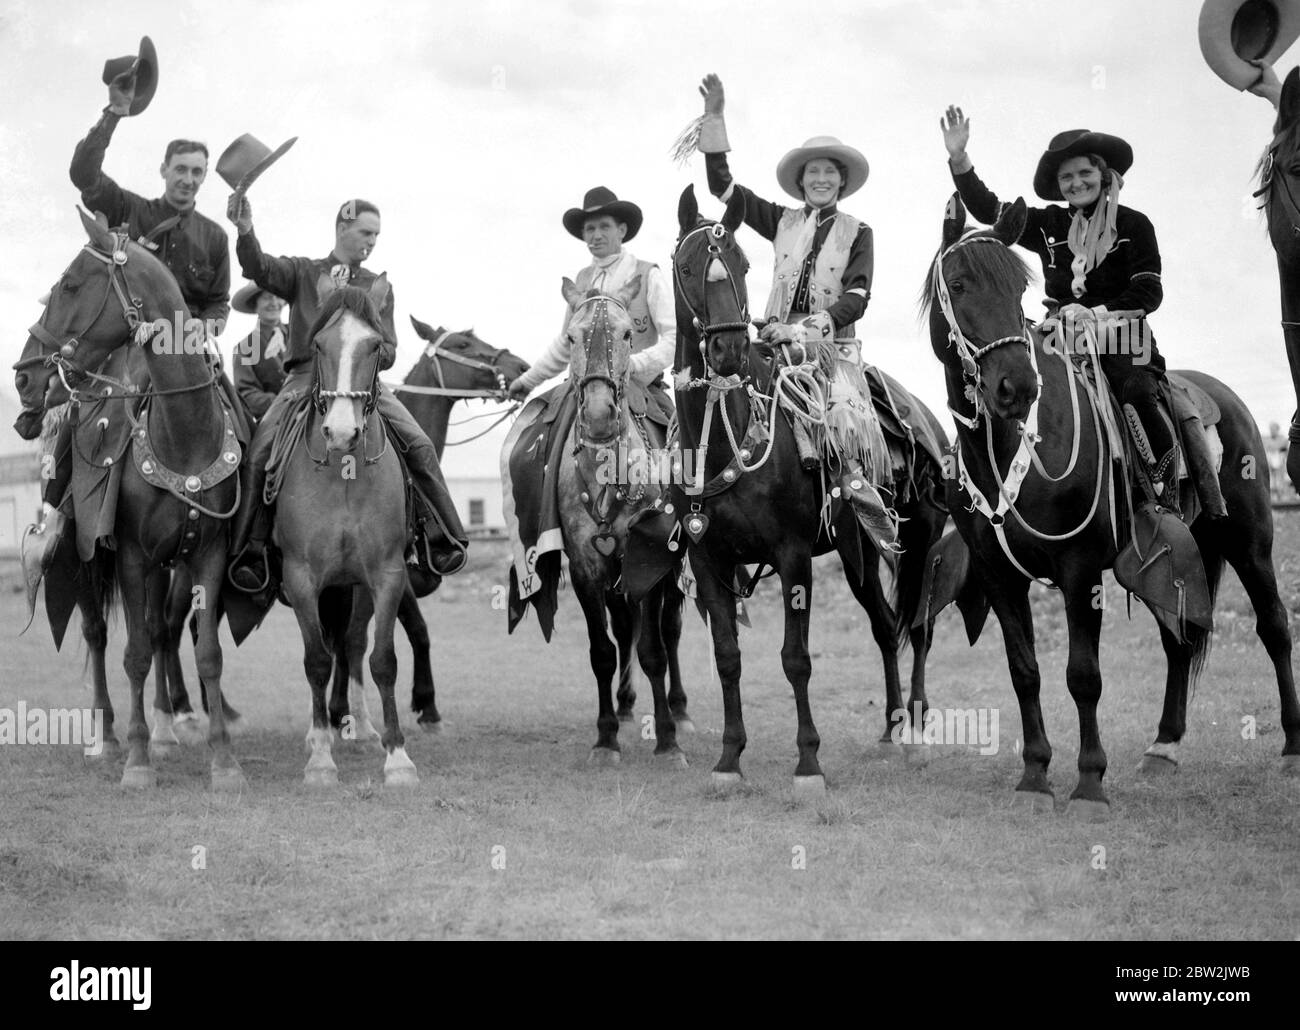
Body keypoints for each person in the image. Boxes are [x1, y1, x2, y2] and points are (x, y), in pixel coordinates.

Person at [938, 106, 1208, 512]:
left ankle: (1161, 487)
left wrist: (1094, 313)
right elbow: (992, 210)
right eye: (1067, 177)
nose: (1076, 182)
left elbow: (1148, 293)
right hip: (1057, 338)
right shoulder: (1048, 224)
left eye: (1084, 173)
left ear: (1103, 174)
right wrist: (960, 159)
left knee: (1136, 389)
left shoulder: (1135, 226)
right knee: (1016, 382)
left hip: (1125, 337)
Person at [24, 52, 231, 573]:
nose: (188, 179)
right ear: (164, 170)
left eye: (197, 173)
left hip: (187, 351)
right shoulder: (130, 211)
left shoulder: (215, 237)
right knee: (87, 418)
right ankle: (63, 521)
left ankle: (246, 536)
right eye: (180, 169)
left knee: (244, 424)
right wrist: (113, 113)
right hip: (128, 354)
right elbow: (82, 173)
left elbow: (220, 303)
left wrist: (201, 331)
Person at [693, 74, 897, 549]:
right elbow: (723, 188)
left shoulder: (858, 231)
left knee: (845, 409)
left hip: (829, 347)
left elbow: (859, 295)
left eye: (829, 172)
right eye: (813, 173)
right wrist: (715, 120)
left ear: (841, 181)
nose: (821, 179)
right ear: (801, 181)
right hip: (770, 337)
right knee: (715, 389)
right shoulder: (780, 220)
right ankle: (698, 489)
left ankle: (855, 482)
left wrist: (811, 329)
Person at [225, 196, 468, 593]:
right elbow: (259, 267)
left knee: (419, 442)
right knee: (260, 452)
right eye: (365, 232)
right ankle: (250, 550)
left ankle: (439, 538)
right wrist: (245, 230)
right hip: (306, 376)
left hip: (362, 382)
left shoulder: (376, 285)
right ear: (342, 228)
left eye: (376, 235)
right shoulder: (302, 273)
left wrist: (370, 351)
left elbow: (388, 349)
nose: (371, 241)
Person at [506, 186, 675, 408]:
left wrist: (632, 364)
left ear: (621, 230)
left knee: (674, 437)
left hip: (640, 388)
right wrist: (527, 381)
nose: (596, 235)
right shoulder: (582, 281)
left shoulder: (648, 275)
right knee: (531, 429)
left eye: (605, 226)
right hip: (581, 388)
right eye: (590, 228)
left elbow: (675, 337)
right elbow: (566, 343)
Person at [229, 283, 288, 426]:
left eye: (277, 297)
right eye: (267, 298)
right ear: (255, 304)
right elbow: (246, 393)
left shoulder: (300, 335)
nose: (273, 303)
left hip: (311, 411)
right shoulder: (245, 347)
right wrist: (282, 402)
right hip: (274, 420)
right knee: (260, 448)